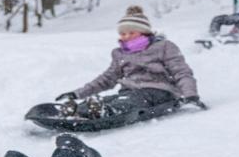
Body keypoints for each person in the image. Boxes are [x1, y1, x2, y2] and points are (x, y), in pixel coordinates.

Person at [57, 6, 205, 120]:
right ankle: (78, 111)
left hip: (159, 91)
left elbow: (181, 72)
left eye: (131, 33)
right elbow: (107, 79)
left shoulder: (164, 47)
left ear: (144, 32)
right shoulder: (120, 53)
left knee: (131, 101)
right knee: (110, 99)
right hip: (129, 91)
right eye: (123, 33)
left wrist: (191, 95)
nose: (126, 37)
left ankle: (107, 112)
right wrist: (77, 94)